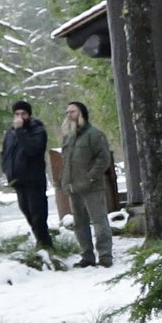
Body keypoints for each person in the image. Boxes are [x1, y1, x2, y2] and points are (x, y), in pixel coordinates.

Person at [56, 101, 117, 268]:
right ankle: (87, 256)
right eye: (68, 112)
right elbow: (65, 161)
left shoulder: (95, 134)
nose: (69, 115)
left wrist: (91, 176)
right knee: (79, 224)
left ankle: (105, 256)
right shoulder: (69, 137)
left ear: (82, 113)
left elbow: (103, 158)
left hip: (92, 187)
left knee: (99, 222)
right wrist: (64, 180)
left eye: (73, 112)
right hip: (73, 187)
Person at [0, 100, 55, 253]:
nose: (19, 117)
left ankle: (45, 245)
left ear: (29, 115)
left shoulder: (37, 130)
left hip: (34, 179)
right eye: (17, 114)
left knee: (38, 214)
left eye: (23, 114)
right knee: (26, 212)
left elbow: (32, 149)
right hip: (18, 180)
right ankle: (41, 242)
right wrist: (6, 170)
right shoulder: (10, 133)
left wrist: (20, 131)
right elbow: (5, 152)